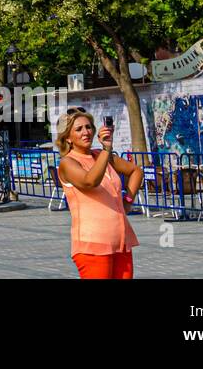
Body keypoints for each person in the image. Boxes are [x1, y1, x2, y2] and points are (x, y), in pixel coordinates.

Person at [56, 110, 142, 279]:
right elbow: (90, 181)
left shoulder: (101, 155)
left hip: (121, 241)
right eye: (78, 129)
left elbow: (135, 171)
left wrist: (128, 200)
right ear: (67, 137)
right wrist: (106, 150)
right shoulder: (68, 163)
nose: (86, 132)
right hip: (93, 245)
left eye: (88, 127)